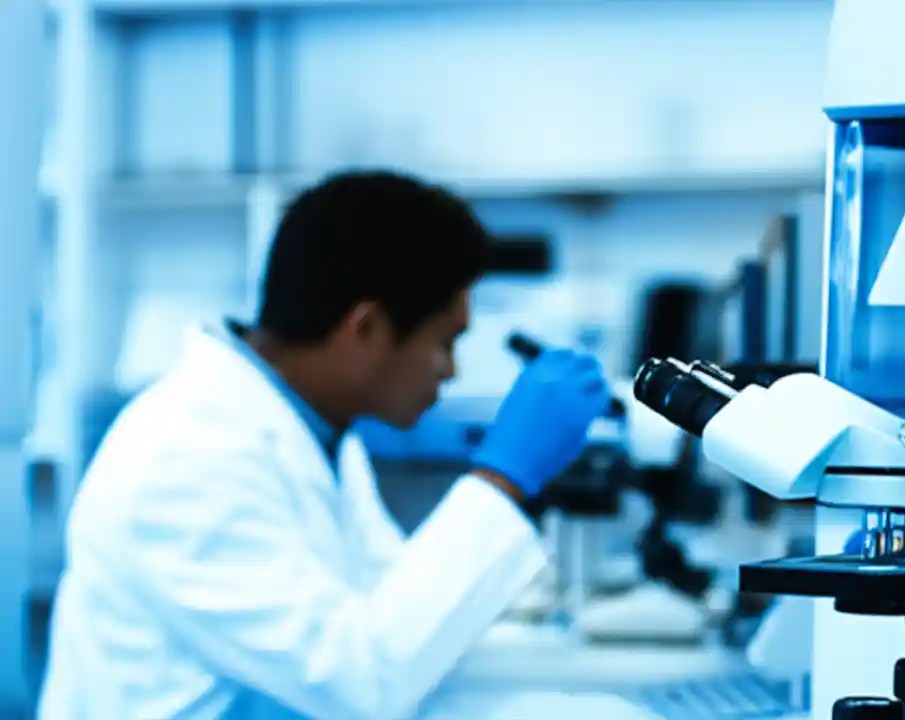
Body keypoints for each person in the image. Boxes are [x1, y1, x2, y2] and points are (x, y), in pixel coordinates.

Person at [37, 171, 613, 719]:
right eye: (445, 342)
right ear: (365, 329)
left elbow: (396, 620)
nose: (451, 371)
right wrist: (502, 479)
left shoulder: (318, 433)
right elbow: (359, 682)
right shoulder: (187, 458)